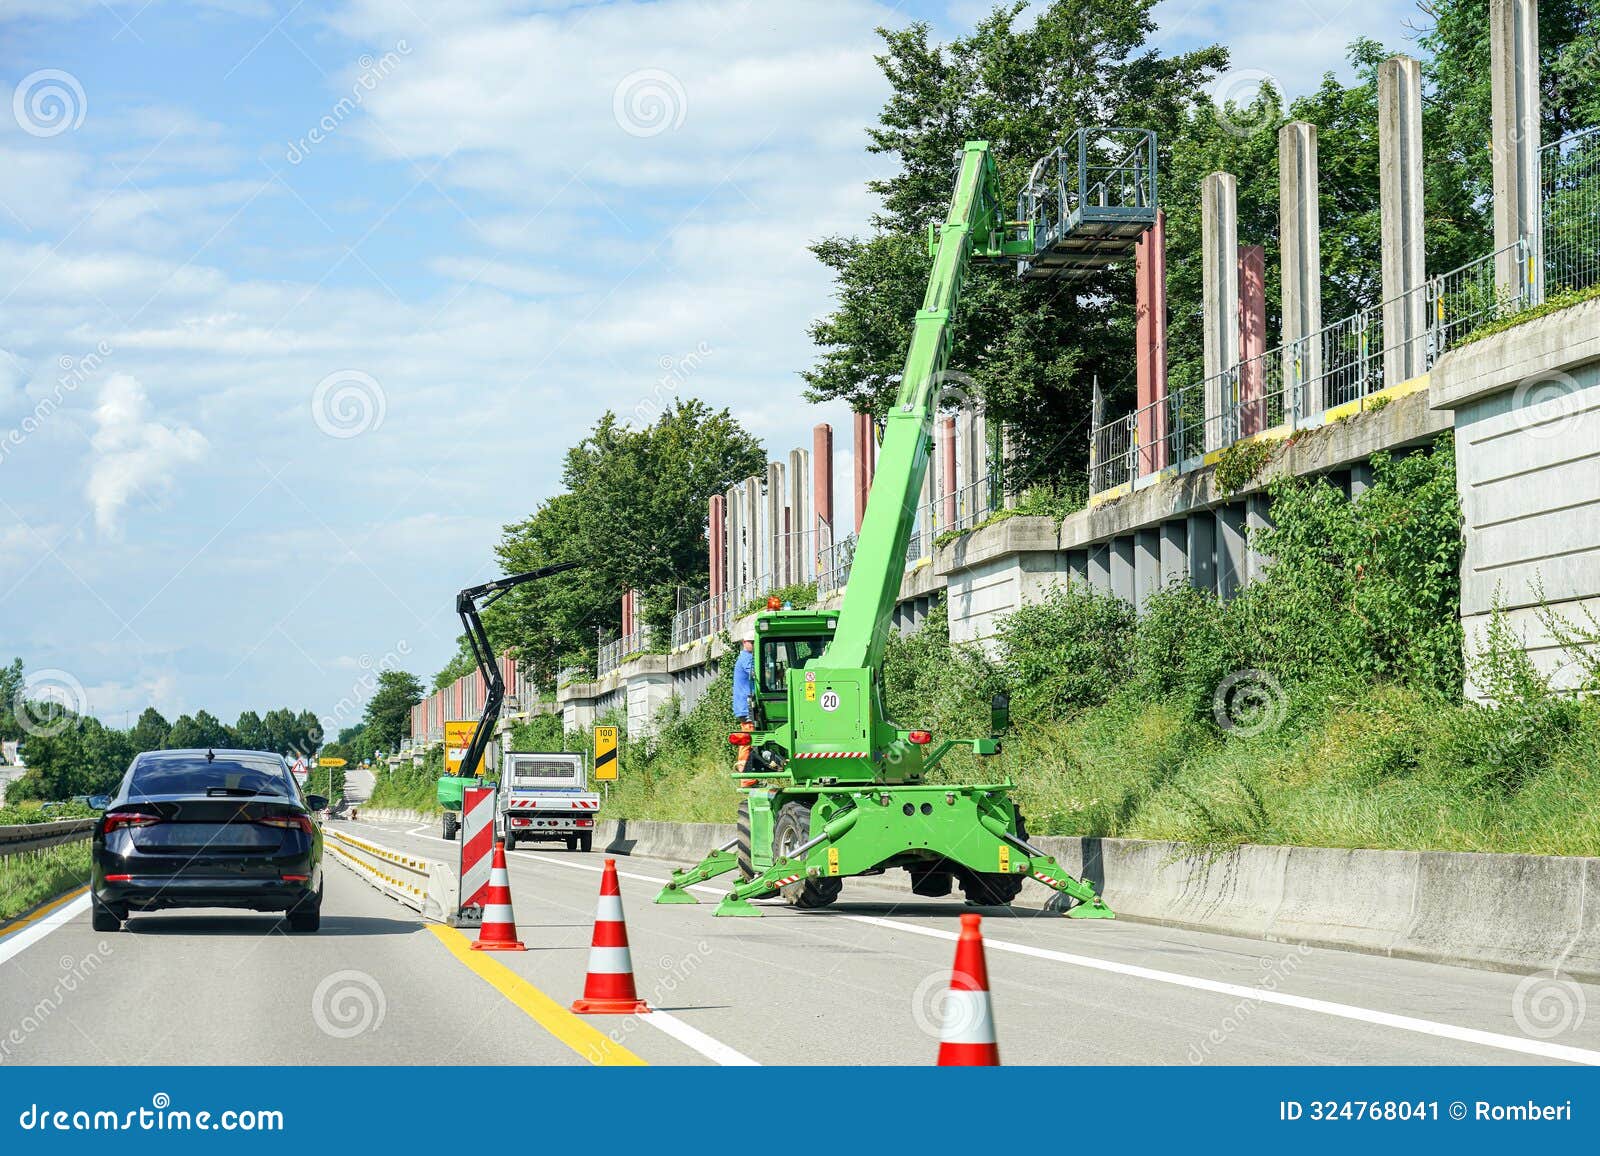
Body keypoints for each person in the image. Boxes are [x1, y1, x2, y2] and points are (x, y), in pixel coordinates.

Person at [731, 638, 755, 722]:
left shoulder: (744, 657)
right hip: (747, 706)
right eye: (751, 642)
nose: (754, 644)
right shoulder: (747, 658)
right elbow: (756, 674)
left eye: (755, 642)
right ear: (744, 642)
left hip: (744, 705)